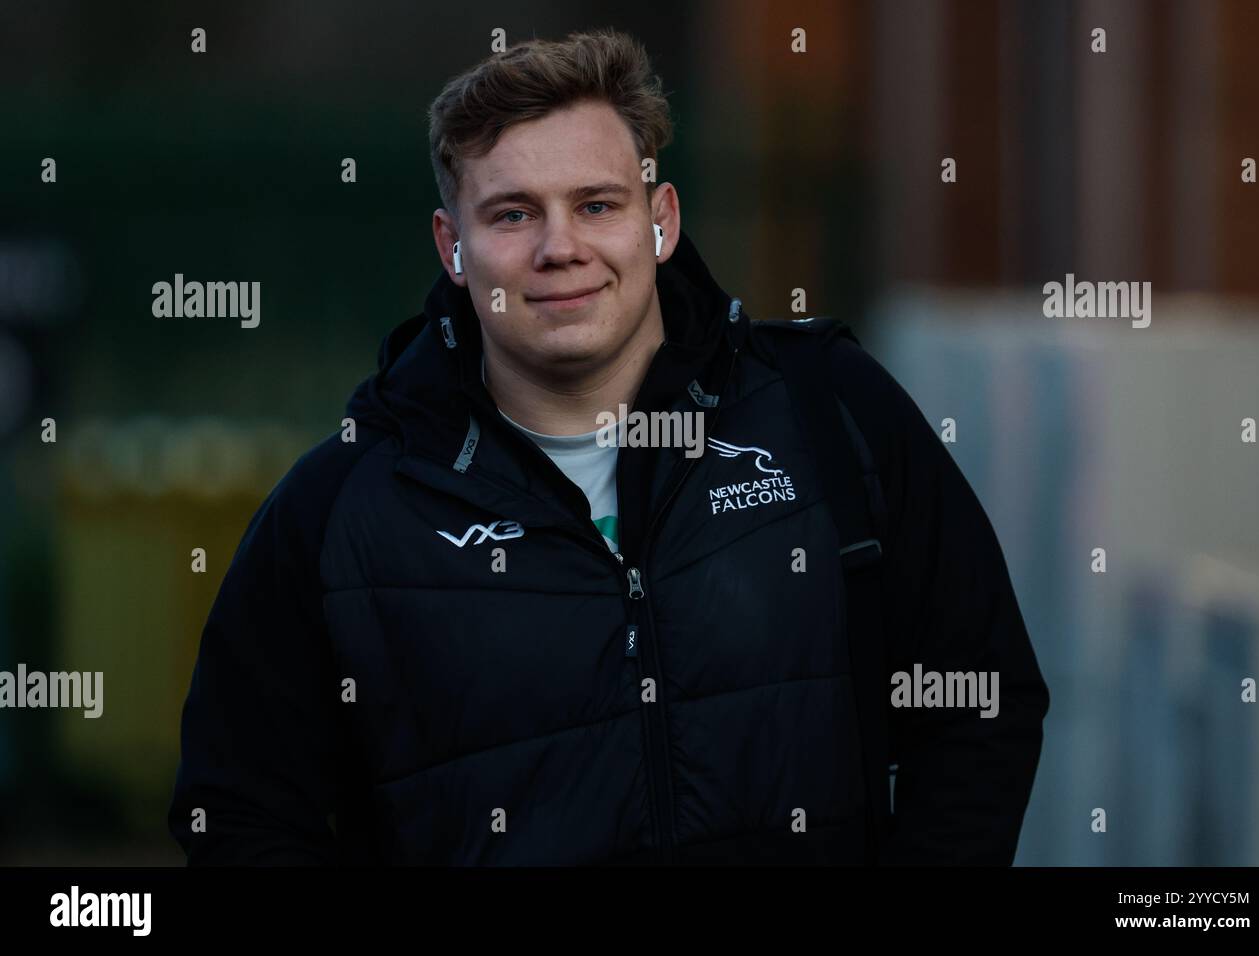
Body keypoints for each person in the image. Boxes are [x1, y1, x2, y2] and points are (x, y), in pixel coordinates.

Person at [168, 28, 1049, 866]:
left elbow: (981, 701)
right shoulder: (341, 507)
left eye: (597, 204)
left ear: (660, 220)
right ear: (453, 247)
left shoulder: (831, 411)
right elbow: (238, 808)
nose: (561, 248)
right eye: (512, 214)